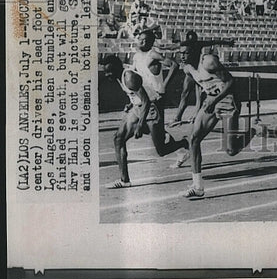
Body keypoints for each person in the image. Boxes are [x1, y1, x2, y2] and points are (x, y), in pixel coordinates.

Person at [179, 51, 265, 198]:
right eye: (180, 52)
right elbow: (199, 86)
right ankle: (197, 186)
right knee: (193, 139)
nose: (182, 56)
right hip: (210, 101)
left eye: (186, 52)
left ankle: (254, 129)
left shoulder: (209, 61)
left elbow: (231, 82)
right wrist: (198, 107)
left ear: (195, 49)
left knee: (231, 150)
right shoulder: (187, 68)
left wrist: (214, 100)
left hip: (228, 101)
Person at [103, 49, 189, 188]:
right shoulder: (119, 76)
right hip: (138, 108)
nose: (107, 75)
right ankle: (124, 180)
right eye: (106, 72)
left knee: (161, 150)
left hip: (151, 108)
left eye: (109, 72)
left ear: (117, 68)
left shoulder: (129, 77)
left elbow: (146, 101)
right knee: (118, 139)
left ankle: (184, 143)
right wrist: (131, 103)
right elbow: (137, 95)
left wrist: (139, 125)